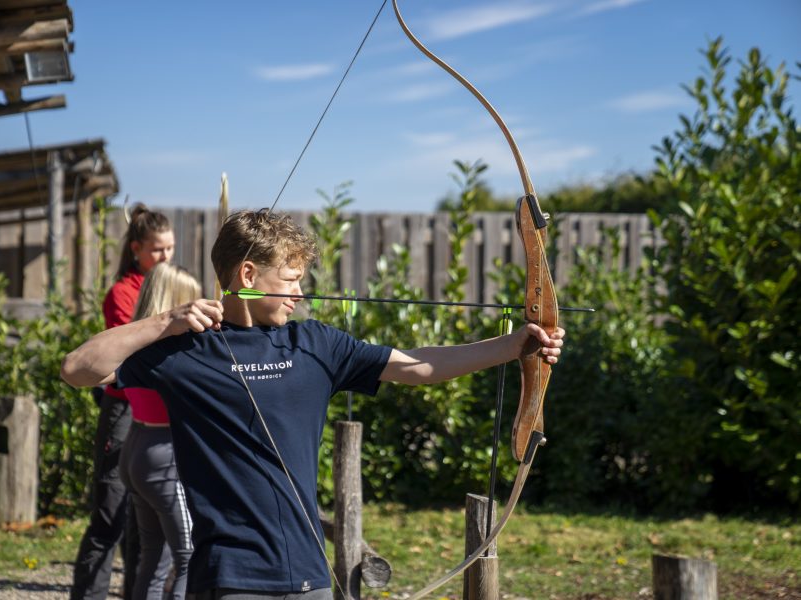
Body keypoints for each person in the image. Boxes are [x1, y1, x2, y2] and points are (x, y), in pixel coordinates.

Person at [61, 209, 565, 599]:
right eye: (291, 279)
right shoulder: (186, 352)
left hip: (307, 573)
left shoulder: (315, 345)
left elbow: (417, 366)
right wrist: (161, 323)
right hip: (228, 577)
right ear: (249, 274)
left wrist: (513, 347)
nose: (300, 294)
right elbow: (79, 368)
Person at [71, 203, 175, 600]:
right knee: (109, 517)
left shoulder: (170, 288)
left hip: (157, 409)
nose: (165, 257)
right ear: (136, 249)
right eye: (157, 250)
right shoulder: (124, 292)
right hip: (124, 408)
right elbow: (130, 350)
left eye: (170, 249)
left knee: (143, 522)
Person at [120, 263, 198, 600]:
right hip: (165, 456)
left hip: (137, 449)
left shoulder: (132, 343)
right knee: (190, 556)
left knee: (154, 557)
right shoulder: (172, 353)